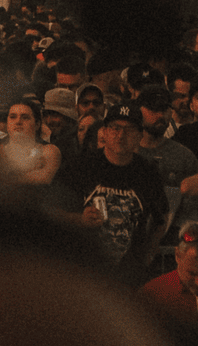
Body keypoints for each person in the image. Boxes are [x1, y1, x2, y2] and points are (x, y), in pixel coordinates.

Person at [56, 106, 169, 270]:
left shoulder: (147, 172)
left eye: (129, 129)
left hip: (128, 269)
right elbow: (51, 210)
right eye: (115, 128)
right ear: (105, 132)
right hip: (82, 264)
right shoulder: (80, 165)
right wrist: (79, 219)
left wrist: (149, 251)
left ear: (139, 136)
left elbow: (162, 217)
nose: (121, 135)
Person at [0, 97, 61, 187]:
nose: (18, 122)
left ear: (37, 124)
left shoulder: (49, 151)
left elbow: (43, 179)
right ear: (7, 122)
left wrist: (3, 175)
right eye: (13, 117)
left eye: (25, 118)